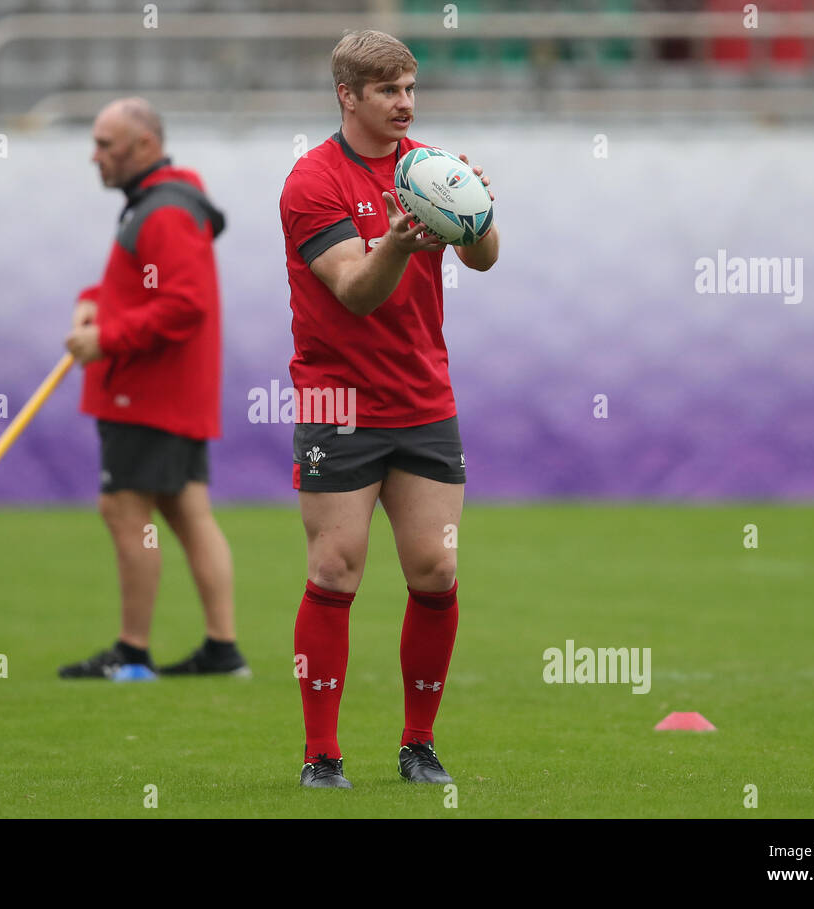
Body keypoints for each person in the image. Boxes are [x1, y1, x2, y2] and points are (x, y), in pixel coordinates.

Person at [278, 31, 499, 787]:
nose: (405, 103)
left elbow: (485, 257)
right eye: (388, 91)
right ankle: (321, 754)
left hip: (422, 395)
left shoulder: (427, 169)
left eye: (410, 88)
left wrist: (476, 209)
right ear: (348, 96)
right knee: (335, 568)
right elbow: (355, 293)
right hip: (337, 398)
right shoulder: (312, 182)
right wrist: (400, 244)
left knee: (436, 569)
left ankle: (418, 743)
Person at [60, 97, 248, 680]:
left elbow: (183, 304)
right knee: (189, 510)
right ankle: (222, 651)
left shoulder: (164, 211)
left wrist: (107, 338)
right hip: (168, 392)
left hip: (146, 394)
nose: (95, 157)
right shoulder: (159, 205)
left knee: (123, 509)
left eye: (104, 144)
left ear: (143, 146)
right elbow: (147, 285)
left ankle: (133, 654)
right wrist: (95, 298)